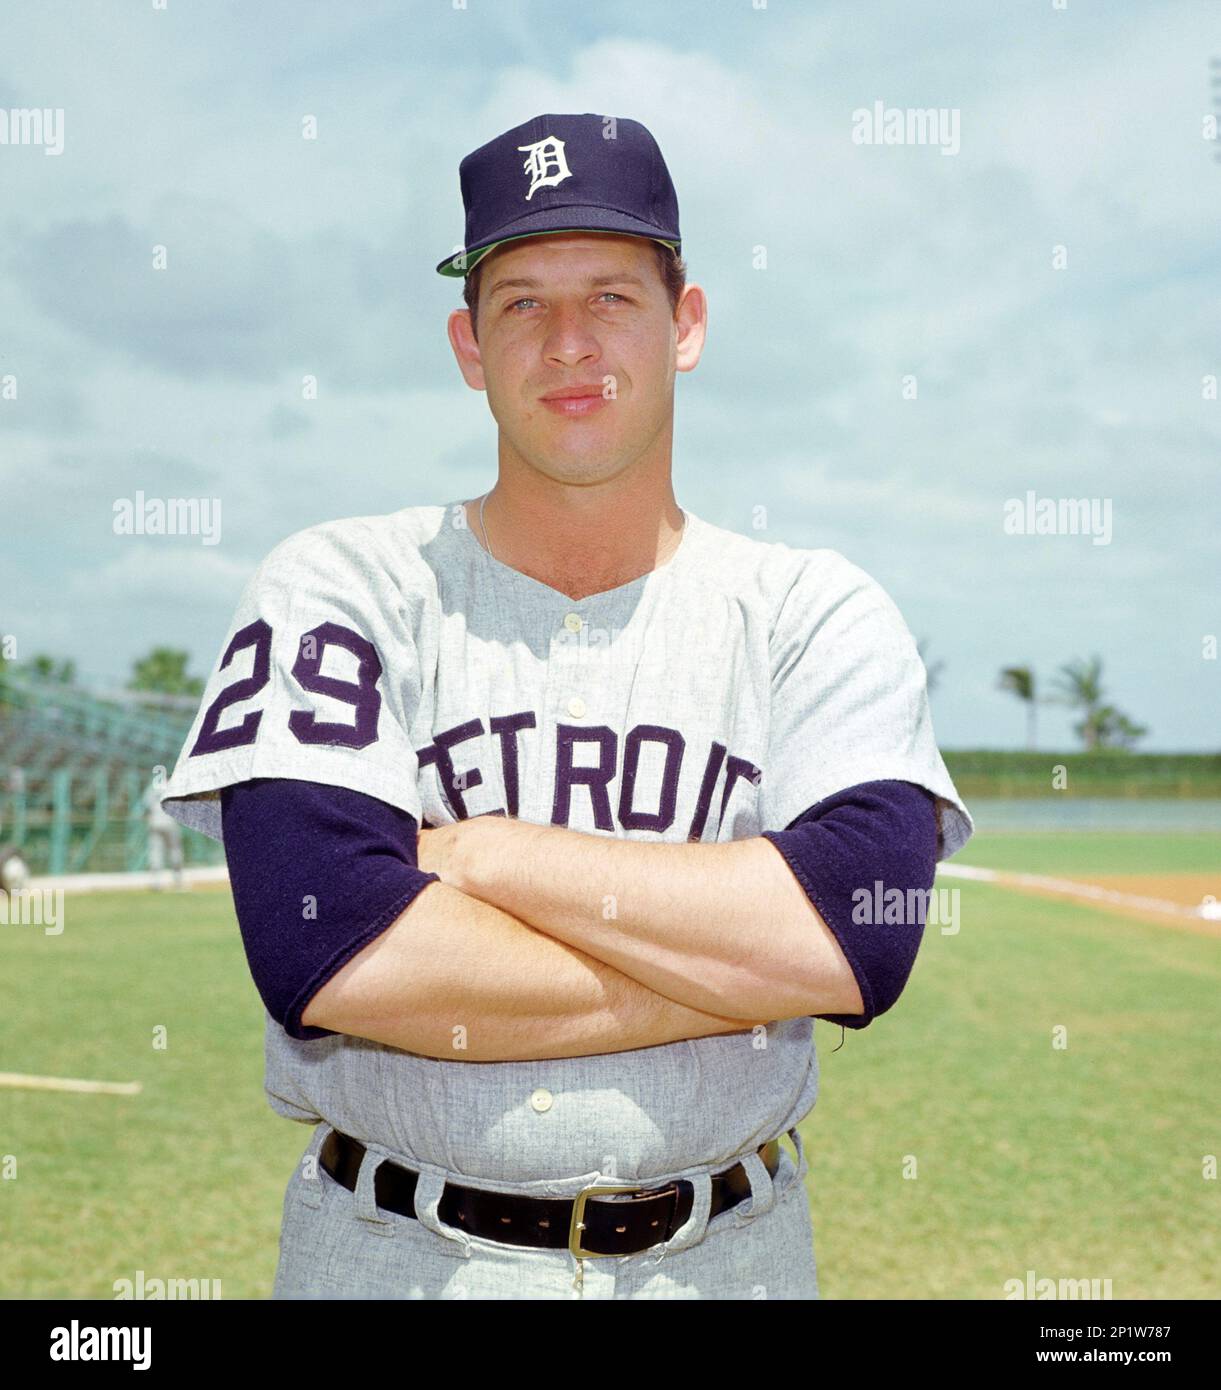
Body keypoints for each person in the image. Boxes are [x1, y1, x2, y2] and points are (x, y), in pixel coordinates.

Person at [160, 112, 973, 1300]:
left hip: (728, 1260)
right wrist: (736, 967)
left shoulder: (812, 608)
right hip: (392, 1254)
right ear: (468, 346)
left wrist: (489, 857)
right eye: (523, 304)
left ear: (685, 324)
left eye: (611, 296)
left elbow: (856, 930)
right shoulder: (342, 584)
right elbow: (324, 940)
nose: (568, 343)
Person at [143, 778, 184, 891]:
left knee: (155, 852)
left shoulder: (152, 788)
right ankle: (178, 881)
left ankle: (156, 883)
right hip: (169, 821)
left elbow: (146, 807)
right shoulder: (174, 786)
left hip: (155, 822)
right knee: (175, 850)